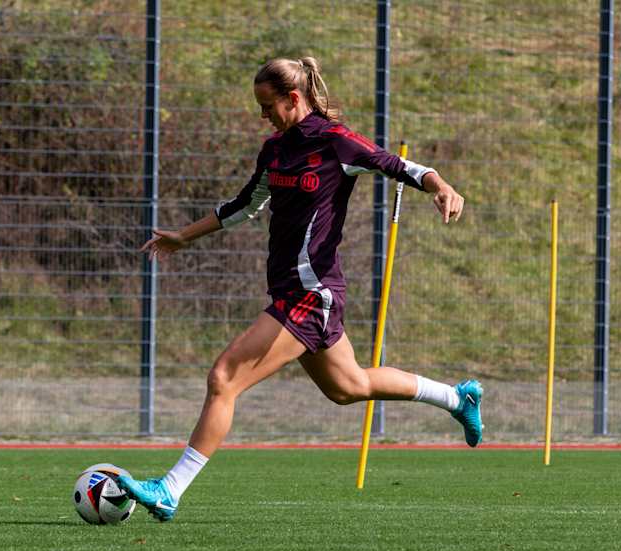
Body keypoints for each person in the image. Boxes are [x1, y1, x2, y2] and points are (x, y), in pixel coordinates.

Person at [117, 56, 482, 522]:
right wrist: (183, 236)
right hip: (292, 292)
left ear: (294, 98)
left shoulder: (337, 144)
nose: (263, 115)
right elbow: (245, 205)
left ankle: (170, 488)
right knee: (349, 387)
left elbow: (403, 167)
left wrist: (441, 186)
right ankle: (458, 398)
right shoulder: (274, 150)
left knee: (224, 379)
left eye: (268, 105)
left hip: (312, 294)